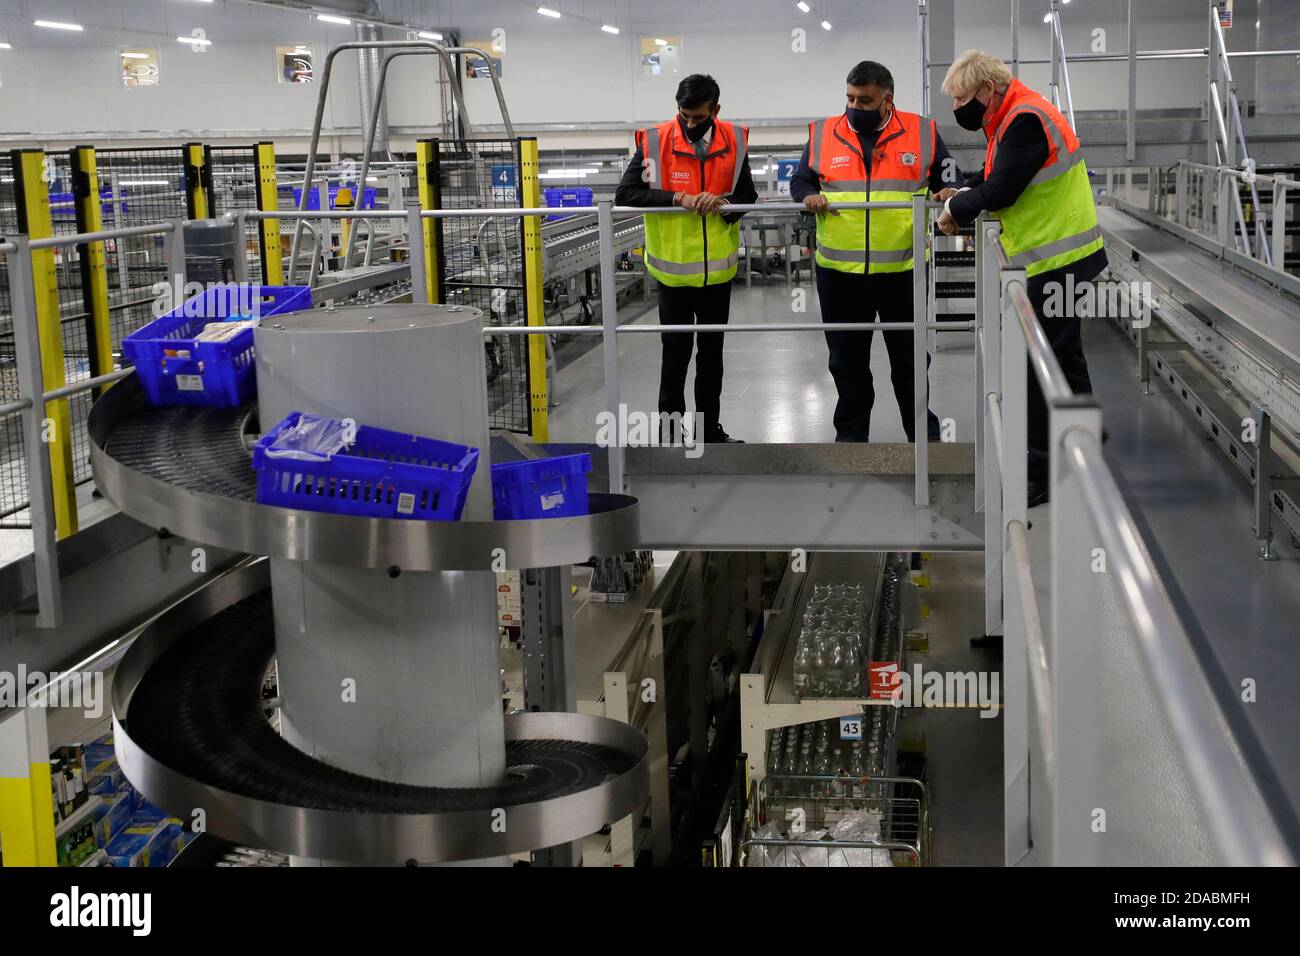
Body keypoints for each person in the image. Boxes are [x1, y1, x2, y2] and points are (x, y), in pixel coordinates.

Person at [937, 49, 1108, 508]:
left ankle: (1045, 468)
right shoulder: (1012, 114)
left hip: (1057, 260)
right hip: (1055, 257)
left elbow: (1004, 189)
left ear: (987, 90)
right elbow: (994, 174)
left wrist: (956, 209)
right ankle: (1079, 451)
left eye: (962, 99)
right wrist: (963, 188)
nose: (958, 110)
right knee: (1061, 359)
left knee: (1040, 364)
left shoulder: (1025, 119)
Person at [790, 60, 960, 443]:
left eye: (864, 100)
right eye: (849, 98)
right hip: (839, 273)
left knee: (911, 362)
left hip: (904, 270)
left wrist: (948, 192)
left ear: (888, 99)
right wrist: (808, 195)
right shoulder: (823, 133)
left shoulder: (922, 133)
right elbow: (800, 179)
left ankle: (924, 440)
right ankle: (850, 443)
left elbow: (950, 177)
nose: (855, 107)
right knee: (846, 363)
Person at [616, 73, 758, 443]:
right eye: (684, 115)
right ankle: (669, 432)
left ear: (716, 109)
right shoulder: (655, 141)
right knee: (675, 355)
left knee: (712, 357)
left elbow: (748, 197)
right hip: (673, 274)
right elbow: (627, 194)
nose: (690, 123)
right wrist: (677, 197)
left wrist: (724, 206)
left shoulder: (736, 141)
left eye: (698, 117)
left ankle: (709, 430)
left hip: (717, 274)